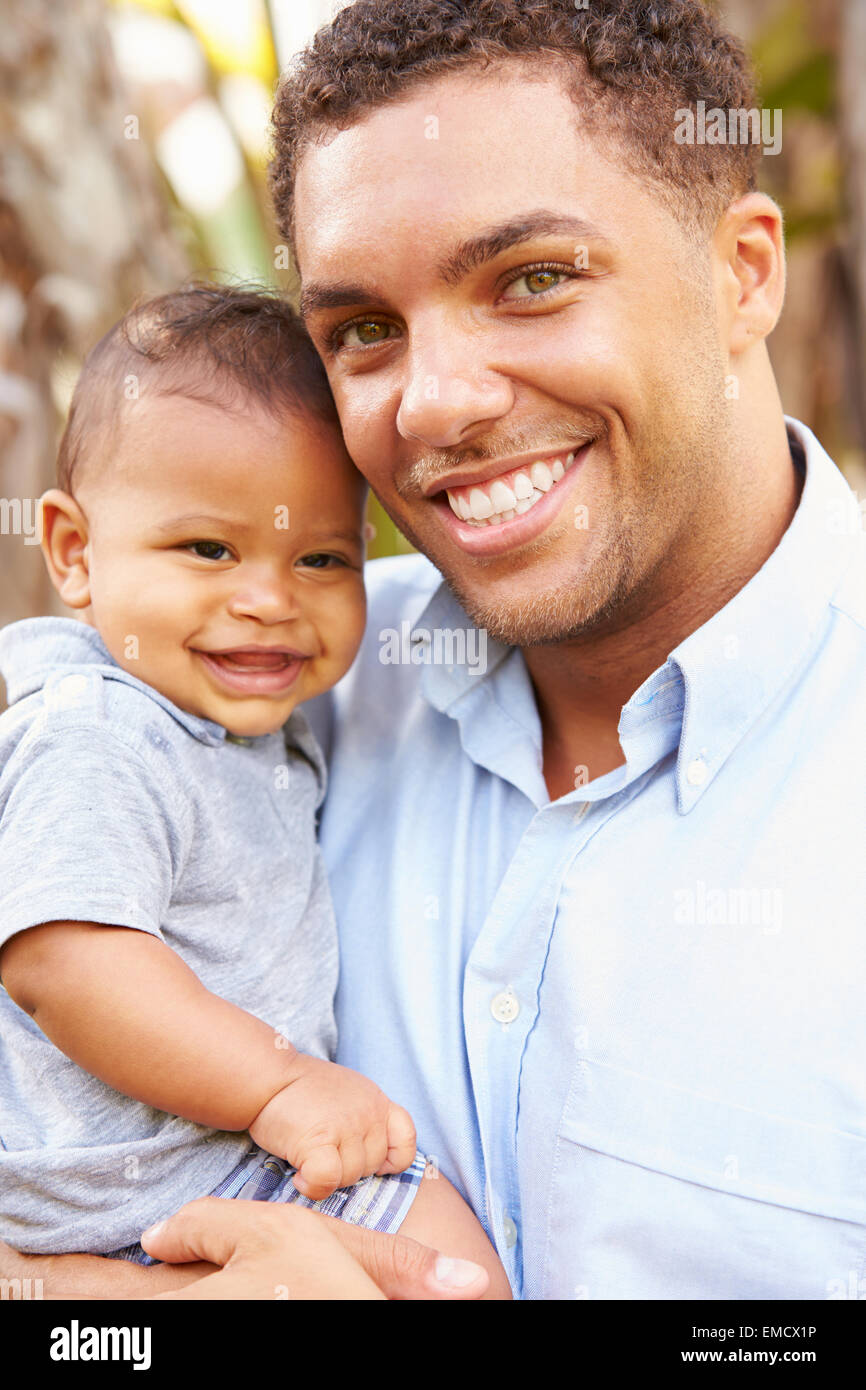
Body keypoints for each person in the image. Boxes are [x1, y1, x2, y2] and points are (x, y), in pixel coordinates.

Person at [3, 0, 865, 1300]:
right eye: (361, 330)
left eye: (532, 279)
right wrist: (99, 1310)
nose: (435, 400)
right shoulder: (267, 691)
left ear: (741, 271)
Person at [0, 284, 510, 1298]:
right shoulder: (101, 729)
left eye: (321, 556)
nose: (270, 600)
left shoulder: (245, 727)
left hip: (198, 1166)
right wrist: (278, 1080)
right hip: (141, 1170)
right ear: (72, 552)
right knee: (454, 1274)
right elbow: (64, 958)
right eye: (207, 549)